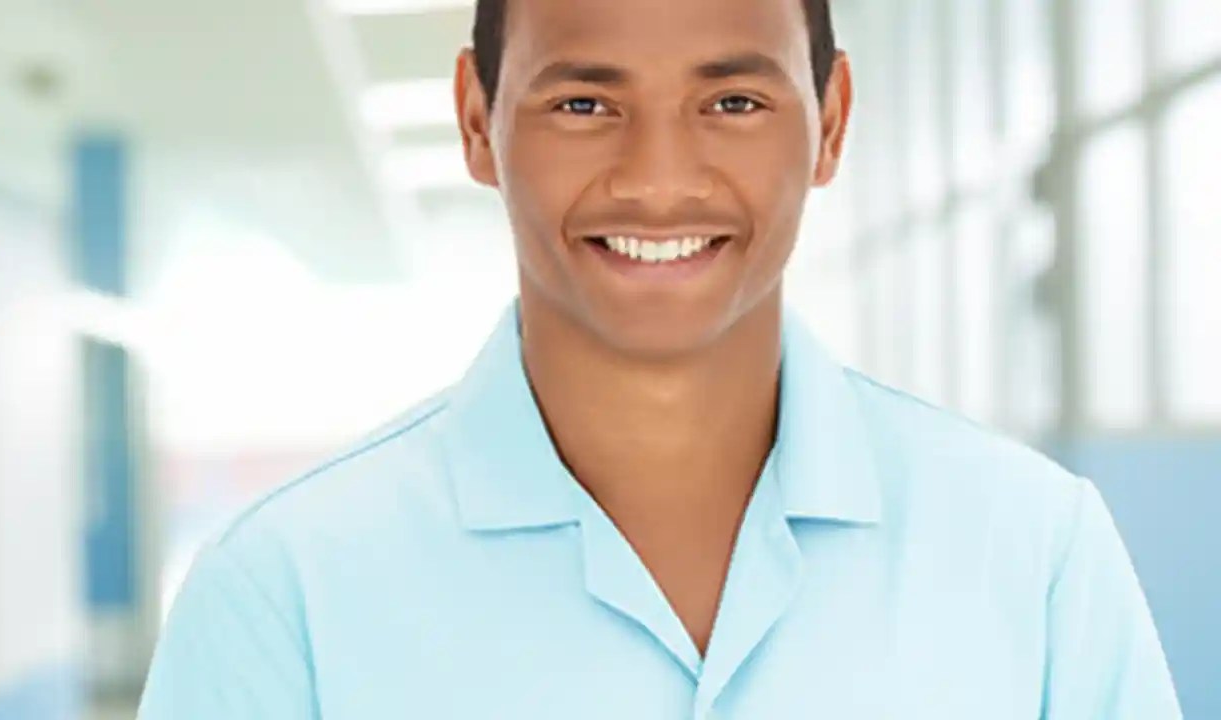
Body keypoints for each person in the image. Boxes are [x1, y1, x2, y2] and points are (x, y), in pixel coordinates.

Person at [137, 0, 1182, 716]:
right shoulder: (284, 593)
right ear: (476, 121)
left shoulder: (1034, 555)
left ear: (829, 123)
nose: (657, 179)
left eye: (732, 102)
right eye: (583, 104)